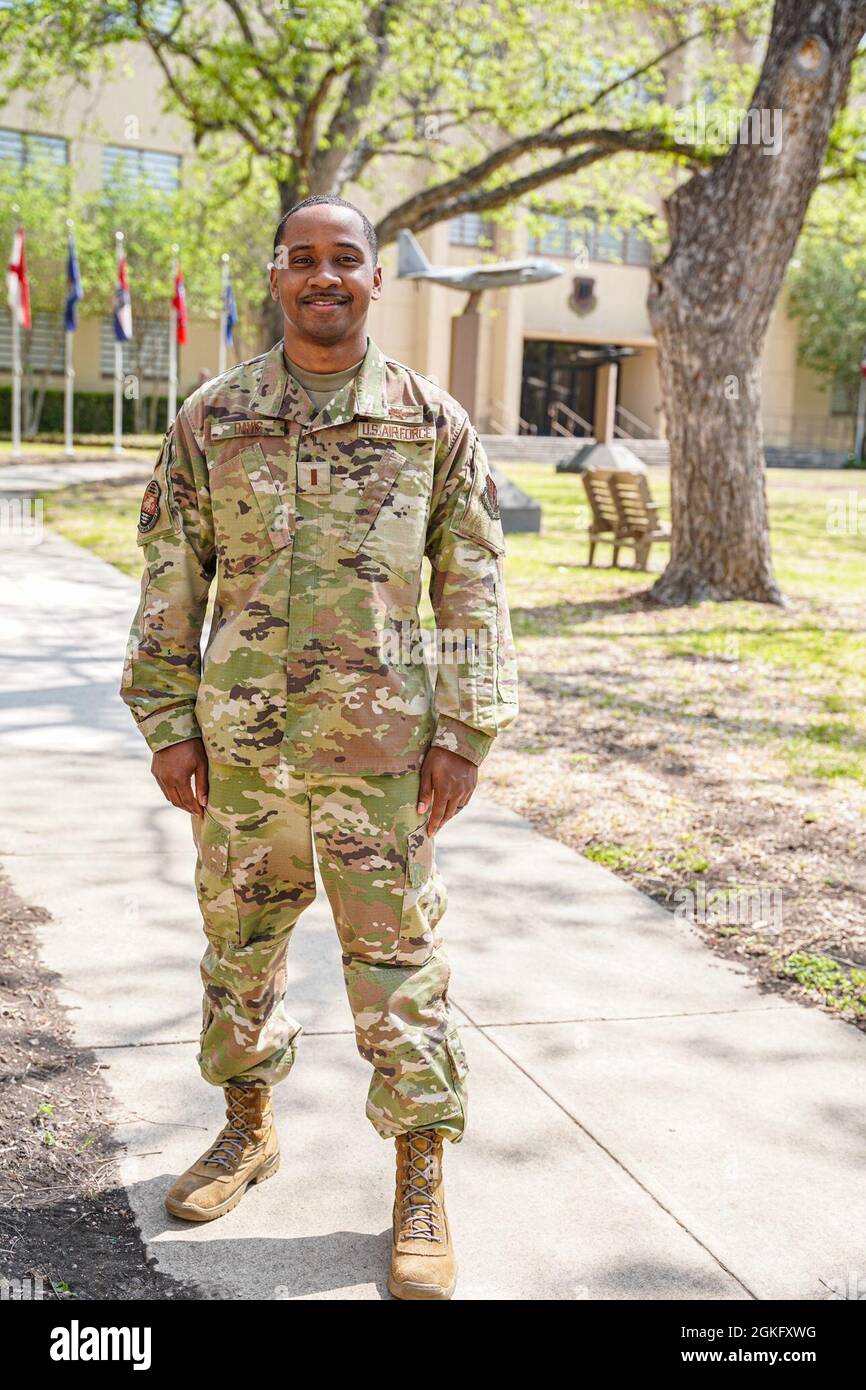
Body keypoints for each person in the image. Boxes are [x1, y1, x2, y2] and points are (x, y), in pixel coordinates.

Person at [120, 194, 518, 1301]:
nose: (325, 276)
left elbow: (473, 584)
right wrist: (166, 719)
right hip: (242, 751)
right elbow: (171, 576)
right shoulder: (213, 417)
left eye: (346, 258)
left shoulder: (428, 420)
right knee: (238, 952)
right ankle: (247, 1130)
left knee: (399, 970)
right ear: (278, 275)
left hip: (381, 759)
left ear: (376, 280)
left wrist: (463, 731)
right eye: (305, 259)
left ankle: (418, 1176)